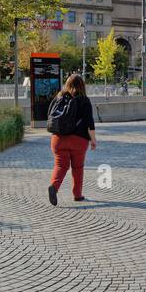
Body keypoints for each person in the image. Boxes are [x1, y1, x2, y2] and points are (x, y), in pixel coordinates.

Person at [47, 73, 96, 206]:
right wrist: (93, 140)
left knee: (60, 165)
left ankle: (54, 186)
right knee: (78, 167)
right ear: (82, 86)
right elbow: (90, 123)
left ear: (67, 84)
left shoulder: (59, 97)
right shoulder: (84, 100)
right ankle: (77, 195)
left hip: (58, 139)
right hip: (78, 140)